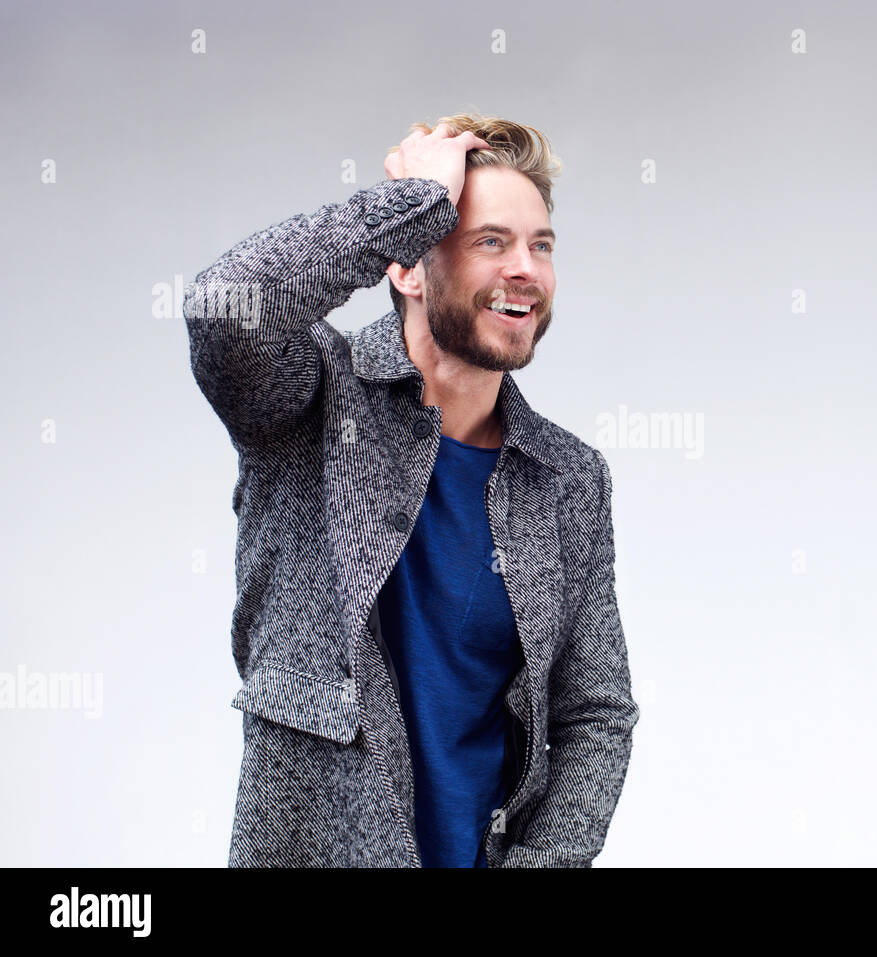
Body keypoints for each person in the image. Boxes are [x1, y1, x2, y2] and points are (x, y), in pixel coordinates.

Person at [184, 114, 638, 867]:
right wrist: (411, 203)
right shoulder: (314, 402)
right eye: (490, 240)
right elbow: (224, 306)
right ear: (407, 265)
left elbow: (597, 712)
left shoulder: (568, 478)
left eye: (541, 244)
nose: (525, 267)